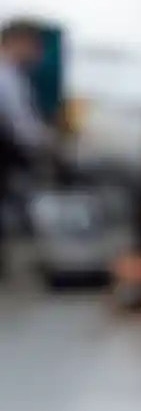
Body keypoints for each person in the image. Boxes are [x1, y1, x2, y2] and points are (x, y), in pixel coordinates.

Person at [0, 20, 56, 276]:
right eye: (35, 47)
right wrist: (49, 144)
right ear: (17, 42)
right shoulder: (7, 76)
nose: (38, 55)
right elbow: (23, 125)